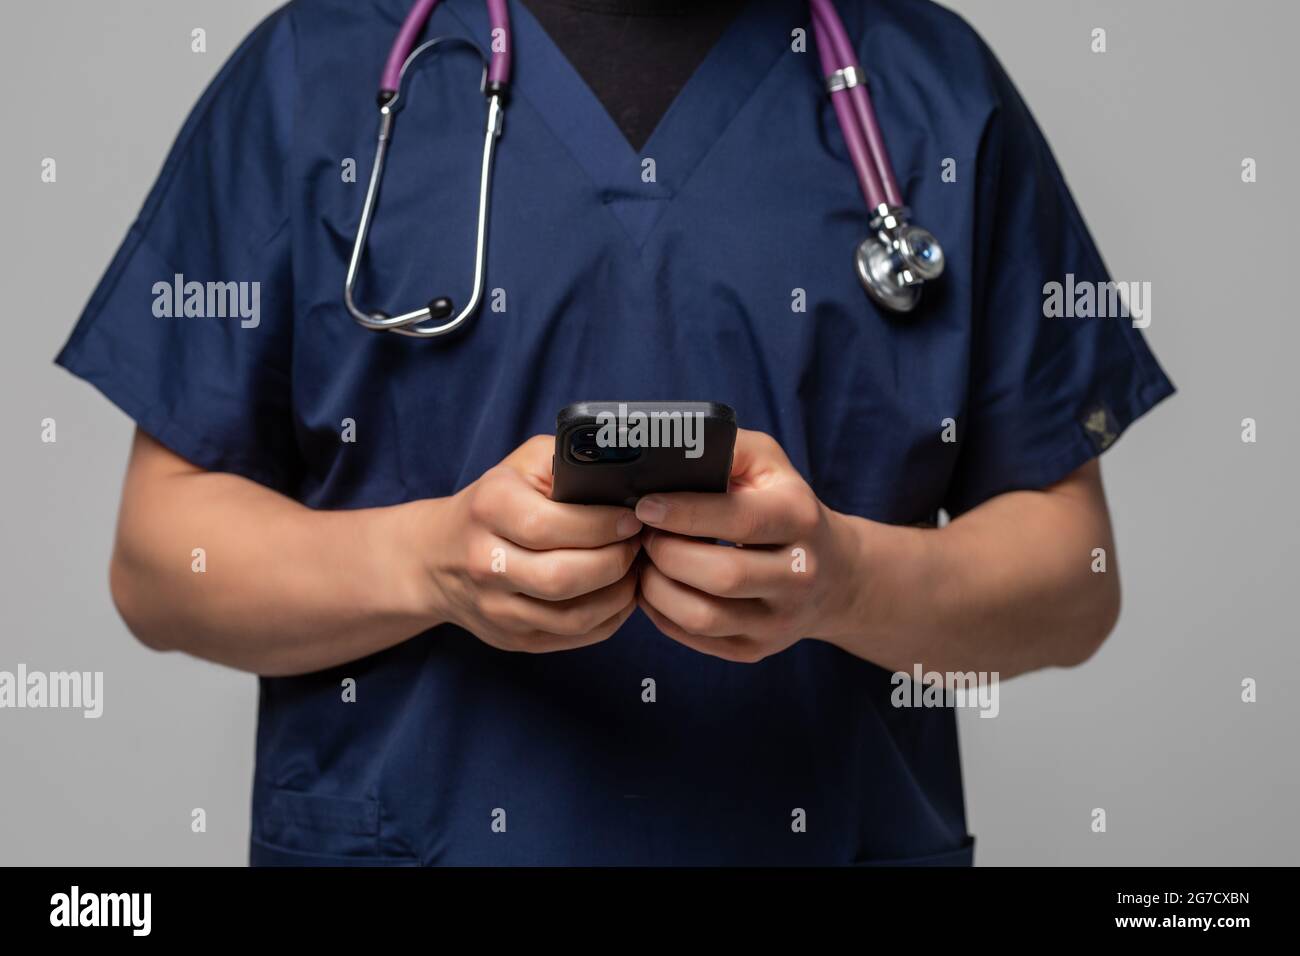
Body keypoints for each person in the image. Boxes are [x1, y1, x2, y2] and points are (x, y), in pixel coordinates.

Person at [56, 0, 1173, 865]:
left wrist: (845, 580)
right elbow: (159, 560)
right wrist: (432, 563)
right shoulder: (314, 77)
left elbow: (1074, 579)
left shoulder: (935, 93)